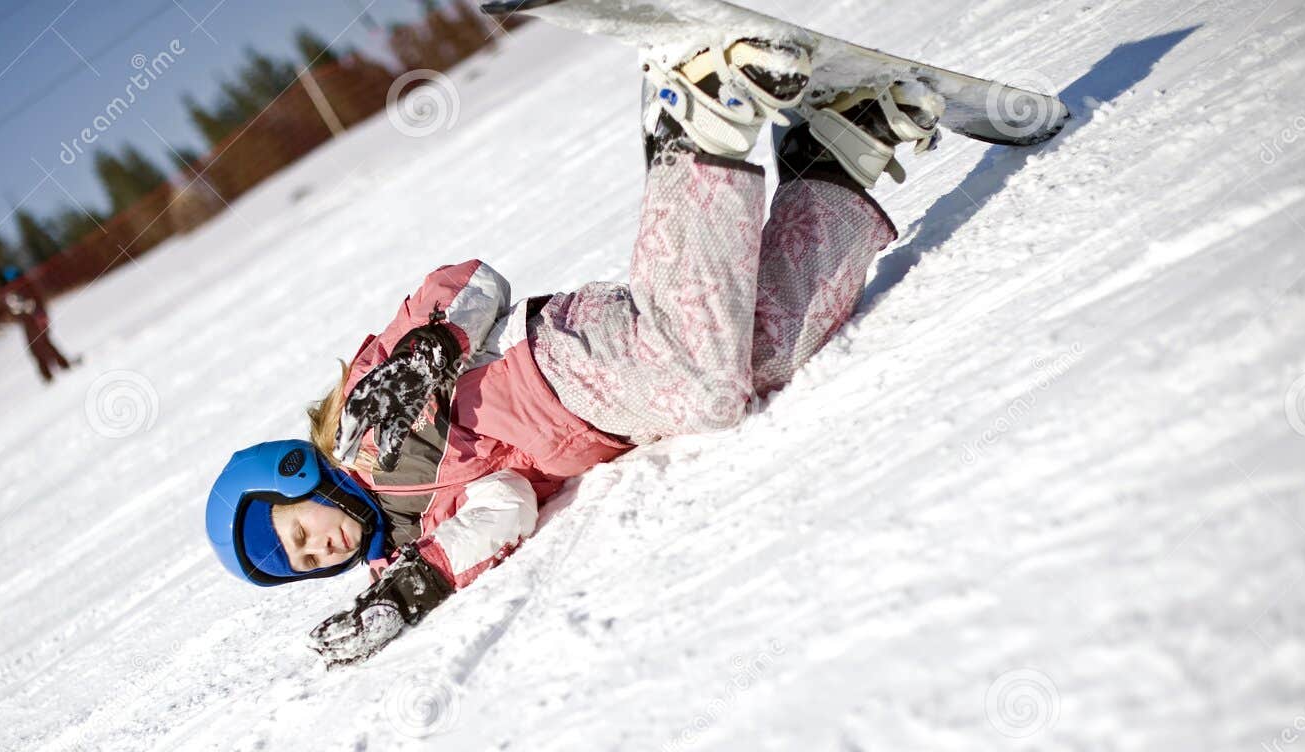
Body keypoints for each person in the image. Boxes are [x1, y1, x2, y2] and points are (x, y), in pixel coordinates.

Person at [205, 38, 942, 665]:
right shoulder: (413, 538)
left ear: (292, 473)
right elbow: (511, 503)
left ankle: (697, 120)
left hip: (555, 362)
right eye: (307, 562)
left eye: (297, 529)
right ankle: (838, 155)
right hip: (601, 419)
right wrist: (419, 580)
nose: (319, 548)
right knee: (761, 356)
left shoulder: (370, 417)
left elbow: (472, 283)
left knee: (702, 384)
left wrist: (428, 350)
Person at [0, 263, 78, 383]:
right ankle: (53, 372)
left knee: (41, 343)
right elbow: (2, 309)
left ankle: (58, 370)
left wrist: (40, 313)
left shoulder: (16, 282)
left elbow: (34, 295)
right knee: (37, 346)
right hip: (26, 322)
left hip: (35, 316)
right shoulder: (1, 291)